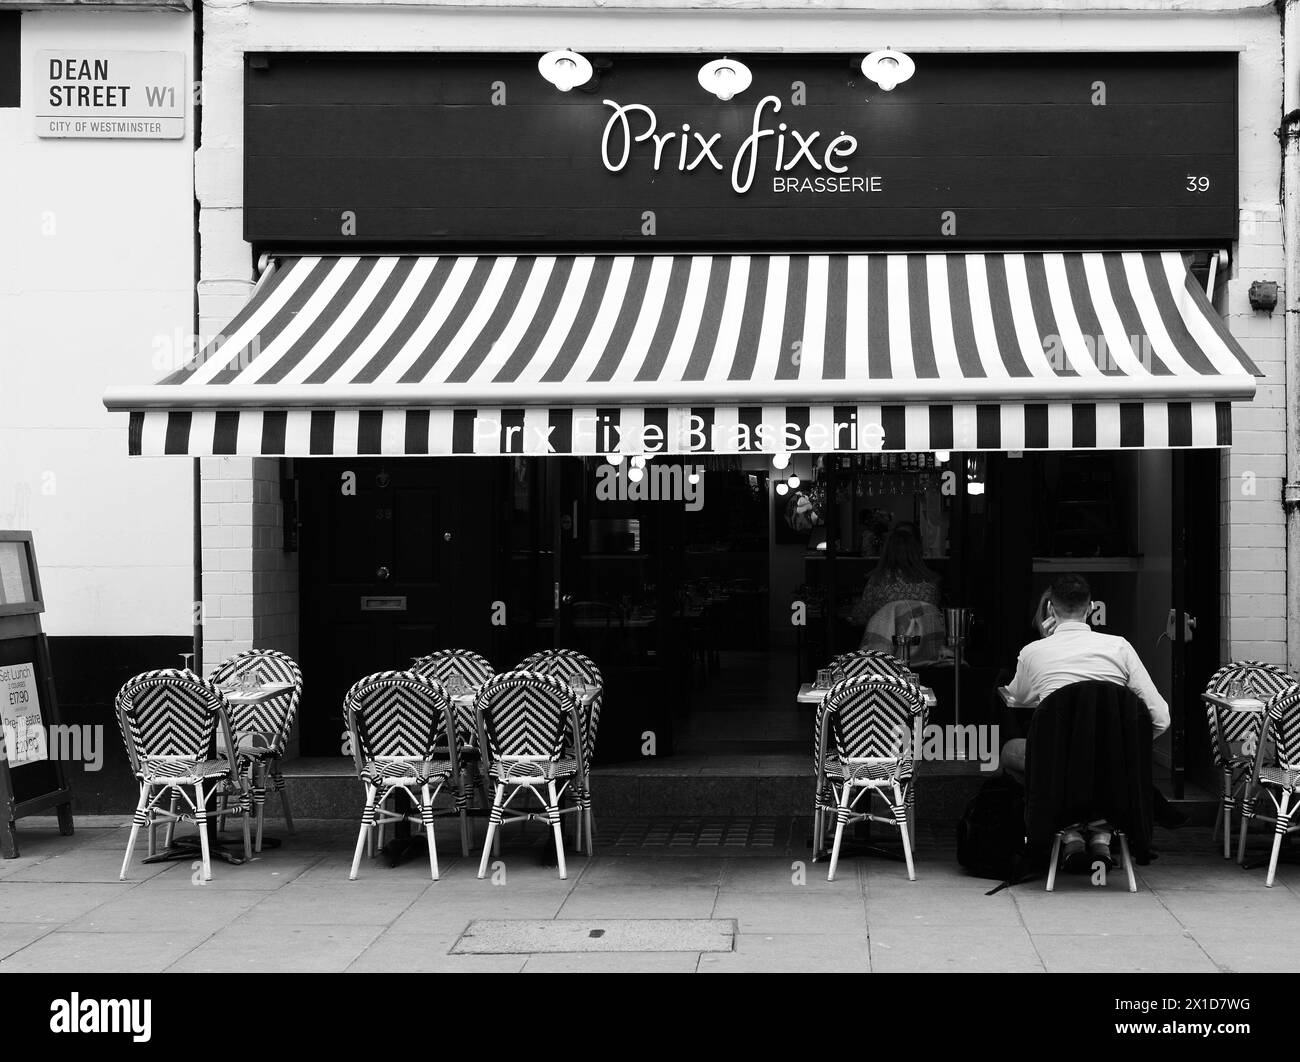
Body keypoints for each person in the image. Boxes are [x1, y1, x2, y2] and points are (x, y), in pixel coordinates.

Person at [1000, 573, 1170, 871]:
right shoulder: (1119, 647)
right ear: (1090, 607)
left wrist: (1046, 643)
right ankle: (1101, 836)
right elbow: (1160, 717)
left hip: (1057, 765)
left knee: (1010, 753)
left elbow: (1017, 698)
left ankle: (1066, 833)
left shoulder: (1034, 651)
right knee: (1097, 768)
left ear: (1051, 609)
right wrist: (1126, 747)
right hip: (1111, 767)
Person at [850, 526, 944, 659]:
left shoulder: (878, 582)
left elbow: (860, 617)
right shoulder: (930, 583)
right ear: (916, 552)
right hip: (928, 654)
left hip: (887, 658)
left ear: (886, 552)